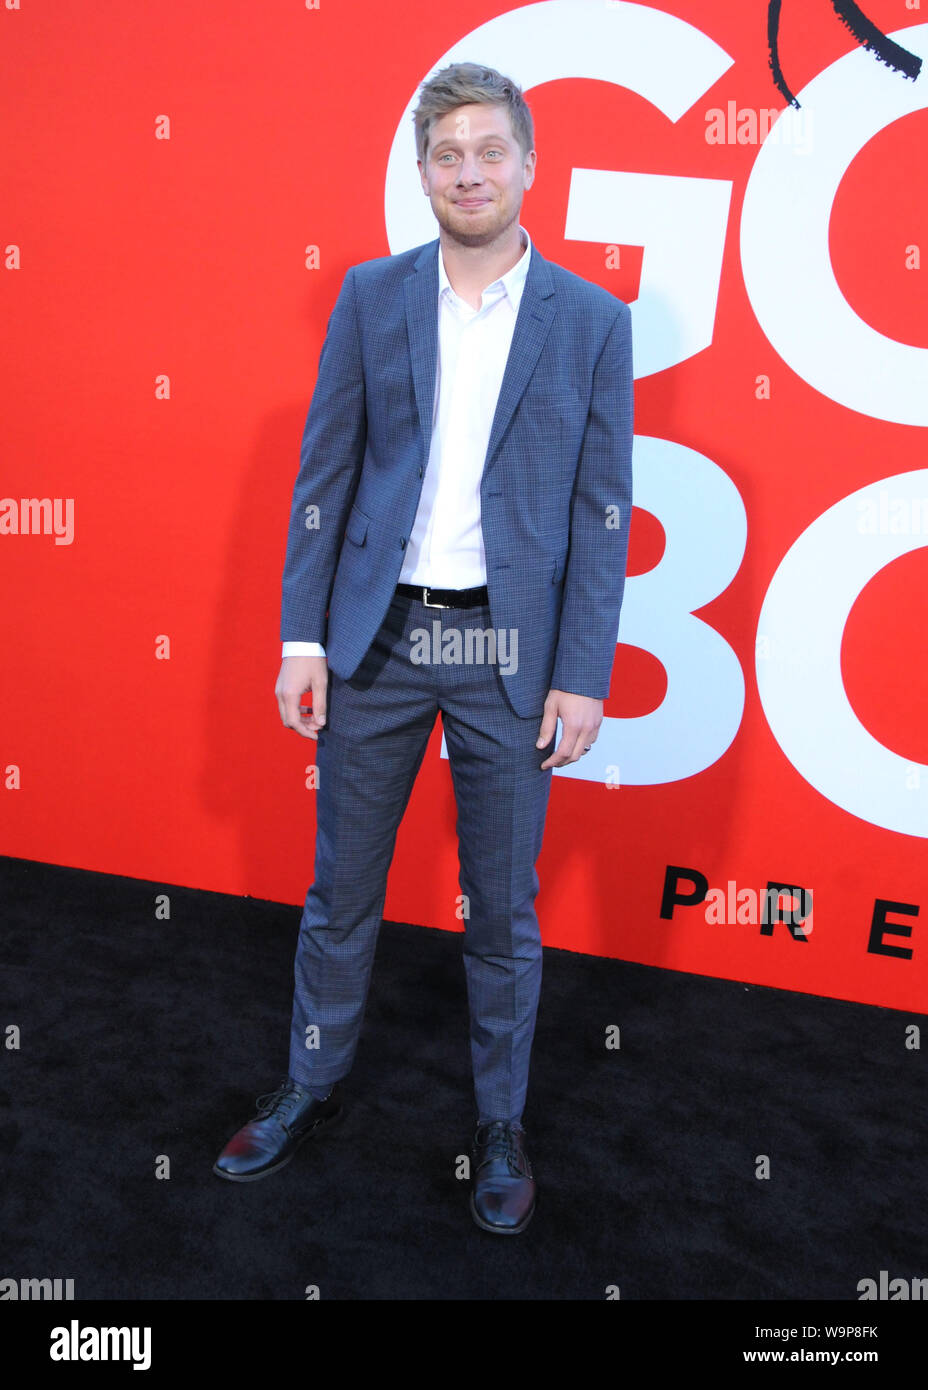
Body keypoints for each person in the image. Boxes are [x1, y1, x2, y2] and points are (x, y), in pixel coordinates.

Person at [214, 61, 633, 1236]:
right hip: (377, 637)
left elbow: (605, 509)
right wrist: (303, 636)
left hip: (510, 649)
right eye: (447, 155)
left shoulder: (593, 323)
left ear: (527, 164)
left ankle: (499, 1121)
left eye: (488, 152)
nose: (468, 173)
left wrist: (581, 671)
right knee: (341, 890)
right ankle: (310, 1081)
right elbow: (324, 472)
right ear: (422, 172)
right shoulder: (368, 296)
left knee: (500, 909)